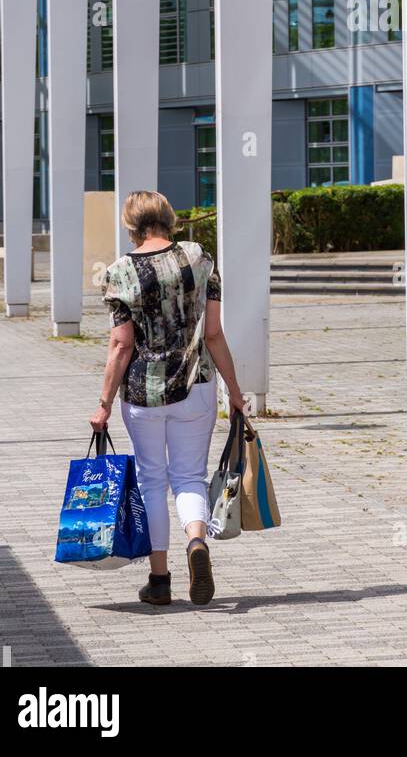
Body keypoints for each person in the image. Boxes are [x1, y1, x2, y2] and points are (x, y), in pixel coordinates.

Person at [89, 191, 245, 606]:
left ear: (131, 226)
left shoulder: (119, 272)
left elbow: (121, 346)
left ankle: (159, 581)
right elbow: (212, 333)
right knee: (190, 476)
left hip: (143, 394)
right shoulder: (199, 257)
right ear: (169, 219)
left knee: (152, 482)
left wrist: (103, 403)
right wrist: (235, 390)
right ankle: (197, 542)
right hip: (196, 388)